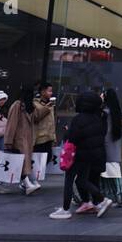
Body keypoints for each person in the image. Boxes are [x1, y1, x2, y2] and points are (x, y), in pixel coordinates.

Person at [50, 91, 112, 219]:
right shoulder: (98, 118)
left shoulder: (79, 119)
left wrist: (67, 132)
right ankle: (101, 199)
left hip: (78, 154)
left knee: (69, 180)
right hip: (91, 155)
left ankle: (65, 209)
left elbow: (72, 137)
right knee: (82, 180)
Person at [0, 86, 40, 195]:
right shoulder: (17, 106)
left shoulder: (28, 107)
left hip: (25, 139)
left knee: (15, 163)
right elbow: (11, 124)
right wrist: (8, 140)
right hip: (18, 139)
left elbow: (36, 118)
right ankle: (27, 184)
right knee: (19, 163)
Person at [99, 88, 122, 207]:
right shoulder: (116, 111)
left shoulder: (105, 112)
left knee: (106, 174)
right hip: (114, 146)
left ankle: (114, 196)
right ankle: (119, 195)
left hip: (106, 145)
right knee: (114, 173)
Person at [31, 81, 57, 172]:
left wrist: (54, 137)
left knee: (48, 157)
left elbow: (52, 122)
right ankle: (30, 179)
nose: (51, 93)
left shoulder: (51, 105)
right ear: (42, 92)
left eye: (51, 91)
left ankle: (34, 178)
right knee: (37, 159)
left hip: (48, 137)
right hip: (39, 137)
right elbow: (36, 117)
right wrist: (47, 107)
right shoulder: (35, 103)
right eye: (49, 91)